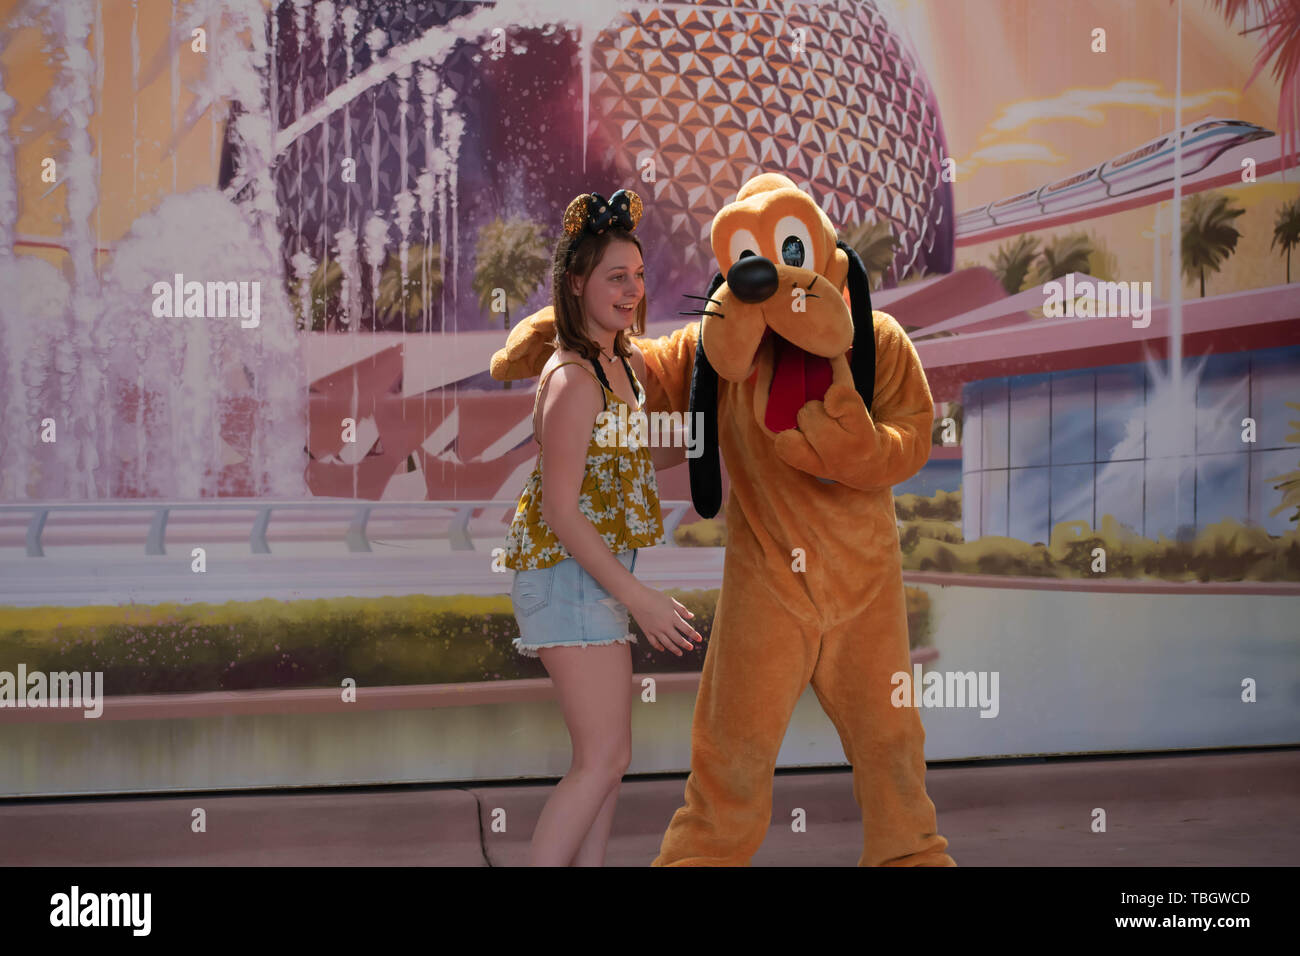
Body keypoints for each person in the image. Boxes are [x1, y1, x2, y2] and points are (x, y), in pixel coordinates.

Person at [502, 189, 703, 866]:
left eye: (638, 275)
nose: (632, 290)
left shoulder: (626, 364)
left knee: (609, 762)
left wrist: (719, 441)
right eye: (616, 277)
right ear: (576, 283)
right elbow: (561, 511)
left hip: (596, 576)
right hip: (566, 577)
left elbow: (635, 454)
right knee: (602, 760)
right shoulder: (573, 381)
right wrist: (641, 600)